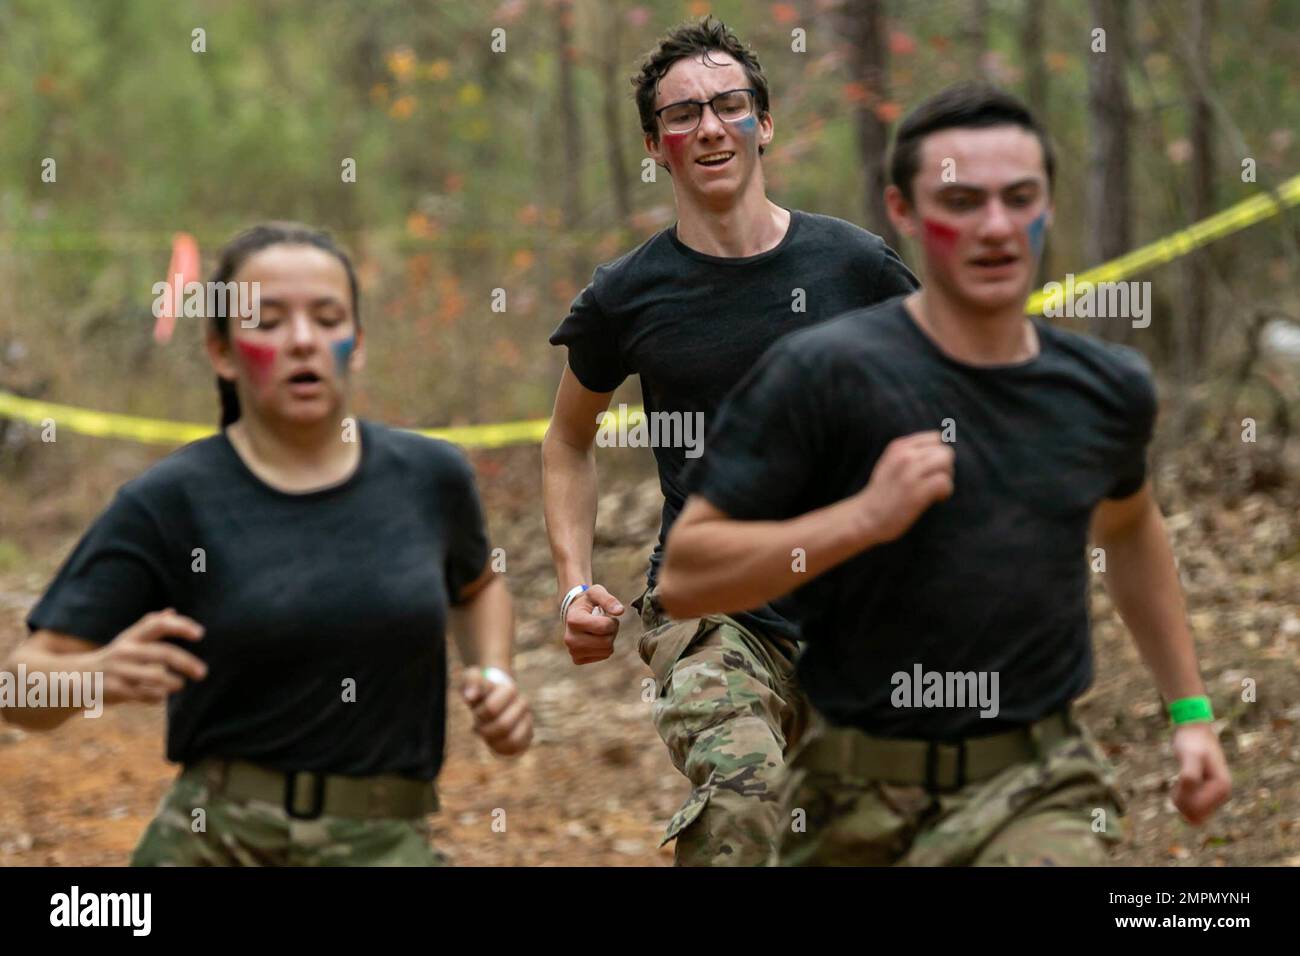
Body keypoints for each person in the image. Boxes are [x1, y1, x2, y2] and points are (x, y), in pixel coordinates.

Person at [659, 83, 1231, 865]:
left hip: (1036, 785)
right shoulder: (820, 375)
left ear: (1047, 205)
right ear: (903, 210)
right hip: (852, 792)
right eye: (961, 202)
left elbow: (1129, 529)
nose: (995, 226)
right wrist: (863, 518)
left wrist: (1191, 714)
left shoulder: (1102, 387)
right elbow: (687, 577)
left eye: (1019, 198)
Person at [2, 222, 533, 866]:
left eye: (327, 319)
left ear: (357, 343)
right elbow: (18, 690)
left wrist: (495, 673)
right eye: (268, 321)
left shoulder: (430, 477)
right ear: (222, 352)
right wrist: (95, 677)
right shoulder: (170, 500)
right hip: (214, 843)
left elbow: (476, 587)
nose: (303, 340)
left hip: (385, 842)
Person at [542, 17, 917, 866]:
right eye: (683, 115)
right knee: (744, 801)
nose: (710, 127)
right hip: (708, 609)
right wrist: (573, 588)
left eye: (729, 105)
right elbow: (567, 440)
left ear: (764, 123)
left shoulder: (856, 268)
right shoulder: (627, 295)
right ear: (656, 146)